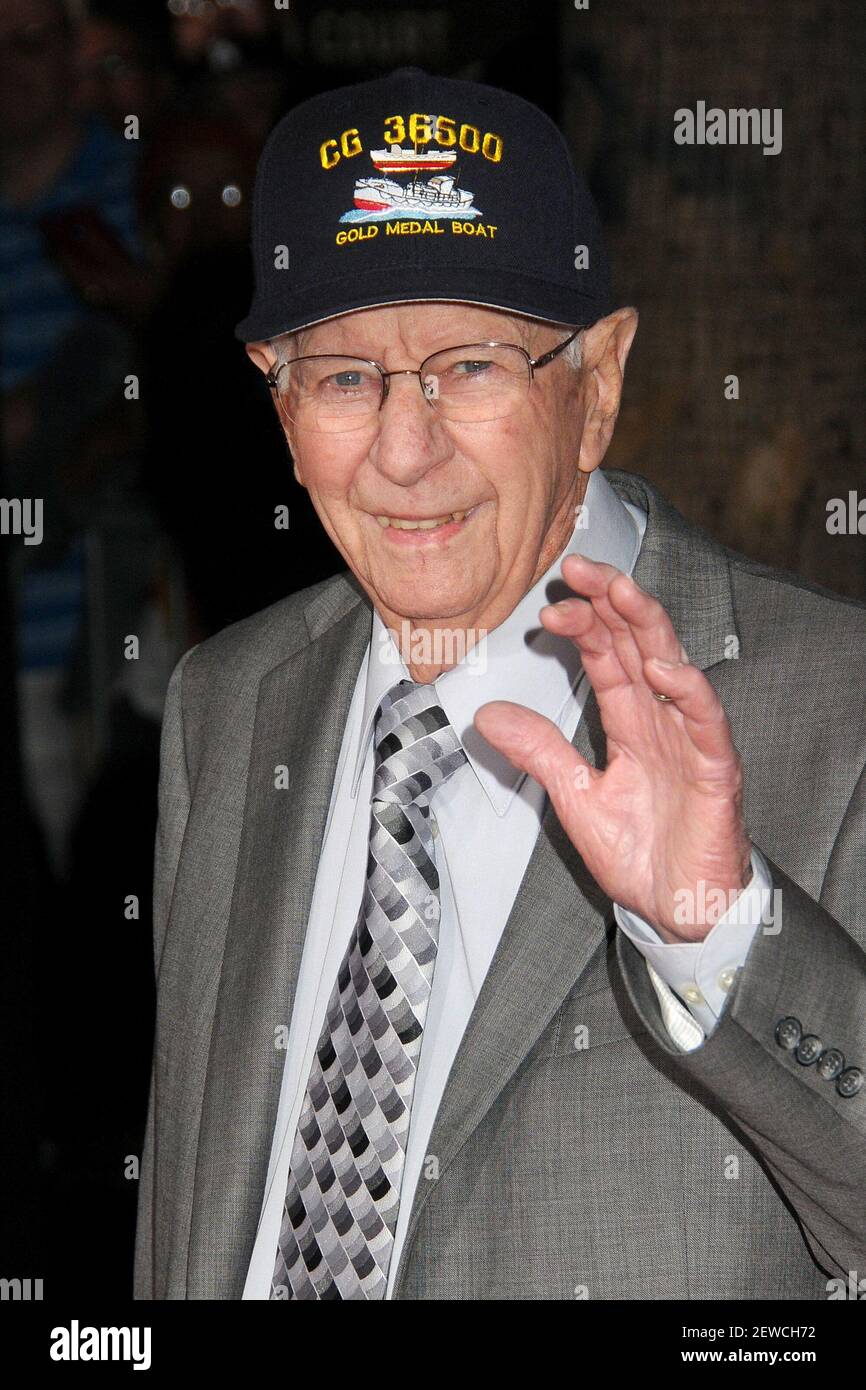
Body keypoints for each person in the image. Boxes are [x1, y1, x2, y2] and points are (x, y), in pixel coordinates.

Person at [133, 67, 866, 1301]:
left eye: (470, 368)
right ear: (276, 393)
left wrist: (716, 930)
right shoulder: (229, 703)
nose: (404, 454)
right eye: (345, 379)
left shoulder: (836, 712)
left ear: (598, 384)